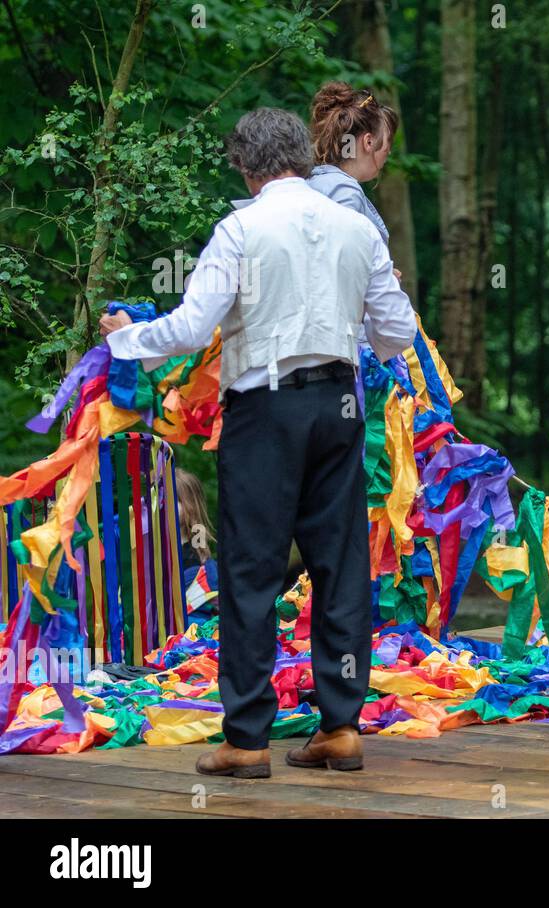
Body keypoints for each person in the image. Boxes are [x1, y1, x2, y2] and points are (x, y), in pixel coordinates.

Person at [99, 107, 417, 779]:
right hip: (340, 403)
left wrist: (126, 337)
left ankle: (246, 739)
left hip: (266, 407)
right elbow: (396, 332)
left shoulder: (240, 228)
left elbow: (190, 328)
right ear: (302, 156)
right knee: (339, 564)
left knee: (252, 571)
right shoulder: (357, 228)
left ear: (247, 166)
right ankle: (341, 728)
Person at [305, 82, 400, 278]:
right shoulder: (344, 192)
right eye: (387, 142)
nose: (388, 152)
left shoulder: (314, 182)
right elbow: (338, 267)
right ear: (368, 142)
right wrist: (381, 280)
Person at [175, 467, 220, 620]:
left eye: (176, 500)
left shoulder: (197, 547)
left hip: (193, 627)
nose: (165, 505)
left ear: (191, 505)